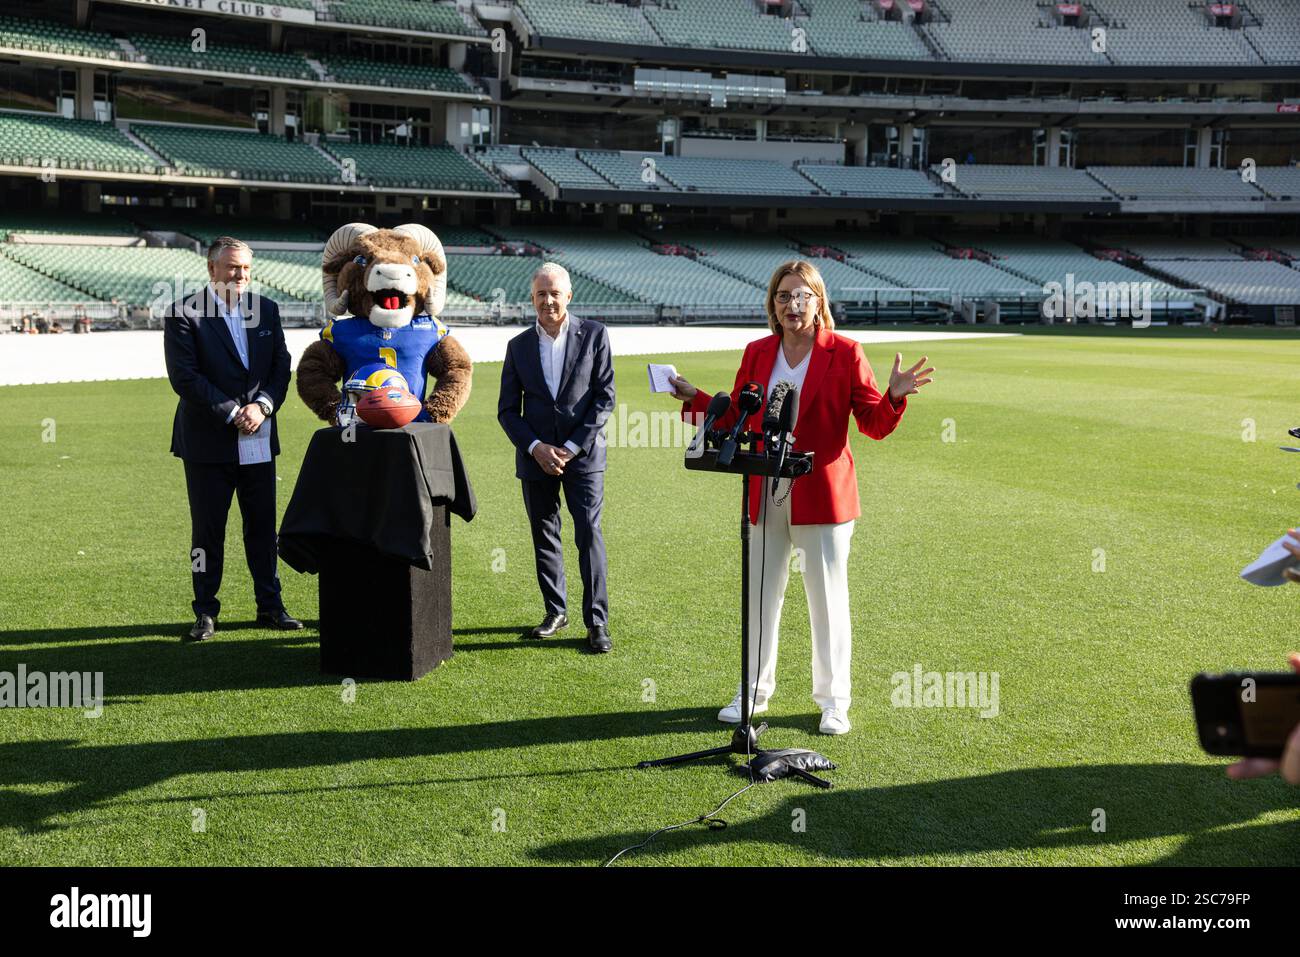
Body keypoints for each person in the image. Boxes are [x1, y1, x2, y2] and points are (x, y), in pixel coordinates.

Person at [668, 260, 934, 734]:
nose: (793, 305)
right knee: (760, 597)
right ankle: (752, 691)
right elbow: (738, 417)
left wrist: (893, 396)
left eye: (802, 296)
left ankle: (834, 701)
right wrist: (696, 398)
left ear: (818, 302)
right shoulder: (756, 352)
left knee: (827, 600)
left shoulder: (846, 352)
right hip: (764, 488)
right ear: (772, 304)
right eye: (784, 296)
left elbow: (872, 424)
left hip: (823, 495)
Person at [162, 236, 300, 641]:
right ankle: (205, 611)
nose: (241, 275)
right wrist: (232, 412)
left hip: (258, 433)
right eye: (233, 267)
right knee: (208, 532)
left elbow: (281, 367)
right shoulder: (184, 313)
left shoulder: (266, 310)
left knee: (262, 528)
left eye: (246, 269)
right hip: (208, 443)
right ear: (212, 269)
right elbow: (185, 378)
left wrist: (262, 406)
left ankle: (270, 606)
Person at [497, 262, 616, 653]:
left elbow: (605, 397)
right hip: (536, 459)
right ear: (532, 299)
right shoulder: (517, 347)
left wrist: (572, 446)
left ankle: (596, 621)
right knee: (544, 535)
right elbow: (508, 410)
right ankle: (555, 611)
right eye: (540, 294)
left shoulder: (595, 334)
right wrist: (536, 448)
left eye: (554, 293)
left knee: (588, 535)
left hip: (582, 458)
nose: (548, 300)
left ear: (569, 295)